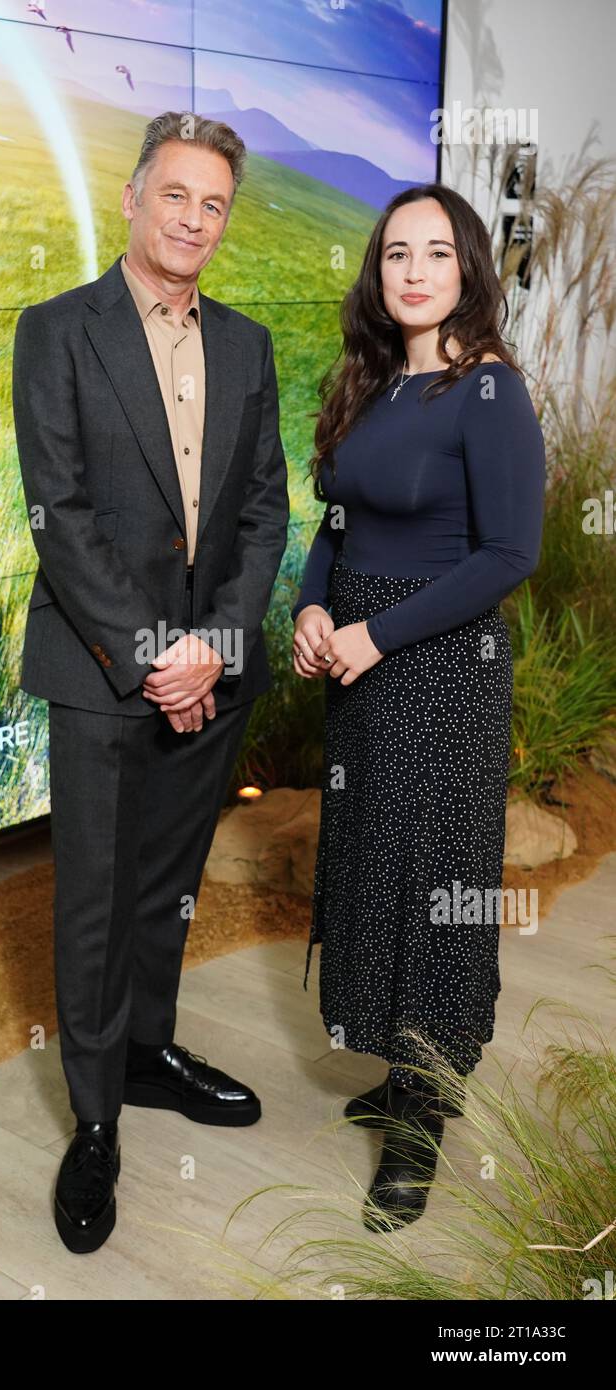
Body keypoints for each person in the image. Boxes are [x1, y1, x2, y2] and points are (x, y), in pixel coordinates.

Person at [12, 111, 289, 1254]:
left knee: (167, 883)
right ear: (132, 198)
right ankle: (92, 1120)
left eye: (213, 202)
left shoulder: (248, 341)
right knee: (92, 897)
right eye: (174, 194)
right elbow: (59, 521)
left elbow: (266, 510)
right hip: (97, 673)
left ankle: (146, 1050)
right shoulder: (57, 332)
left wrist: (211, 651)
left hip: (209, 676)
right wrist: (149, 660)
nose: (192, 218)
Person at [291, 183, 546, 1231]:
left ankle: (422, 1115)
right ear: (377, 269)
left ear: (465, 269)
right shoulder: (367, 382)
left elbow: (507, 554)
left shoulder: (487, 392)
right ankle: (400, 1074)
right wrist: (311, 608)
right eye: (395, 252)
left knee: (431, 883)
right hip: (356, 669)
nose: (411, 270)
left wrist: (372, 633)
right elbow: (332, 523)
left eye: (434, 253)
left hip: (439, 671)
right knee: (372, 867)